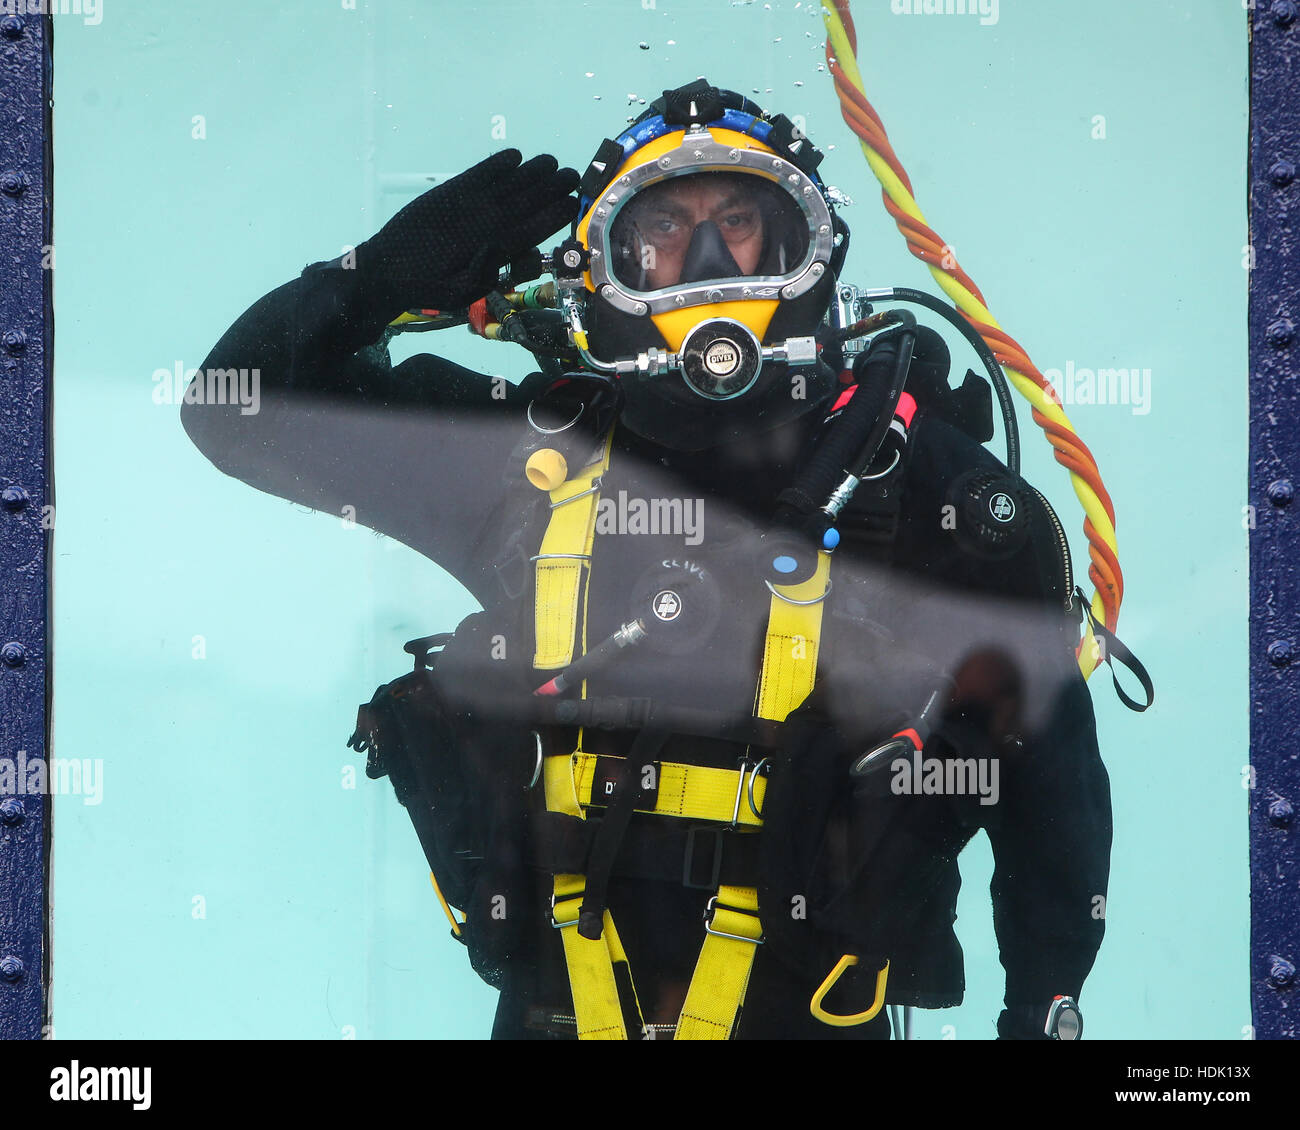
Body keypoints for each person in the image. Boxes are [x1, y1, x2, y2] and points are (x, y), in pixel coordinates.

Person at [182, 79, 1111, 1041]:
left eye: (742, 221)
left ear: (804, 246)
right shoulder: (524, 466)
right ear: (606, 263)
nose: (709, 262)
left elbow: (1049, 799)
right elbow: (233, 410)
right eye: (663, 227)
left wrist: (1042, 1014)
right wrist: (375, 280)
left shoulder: (930, 493)